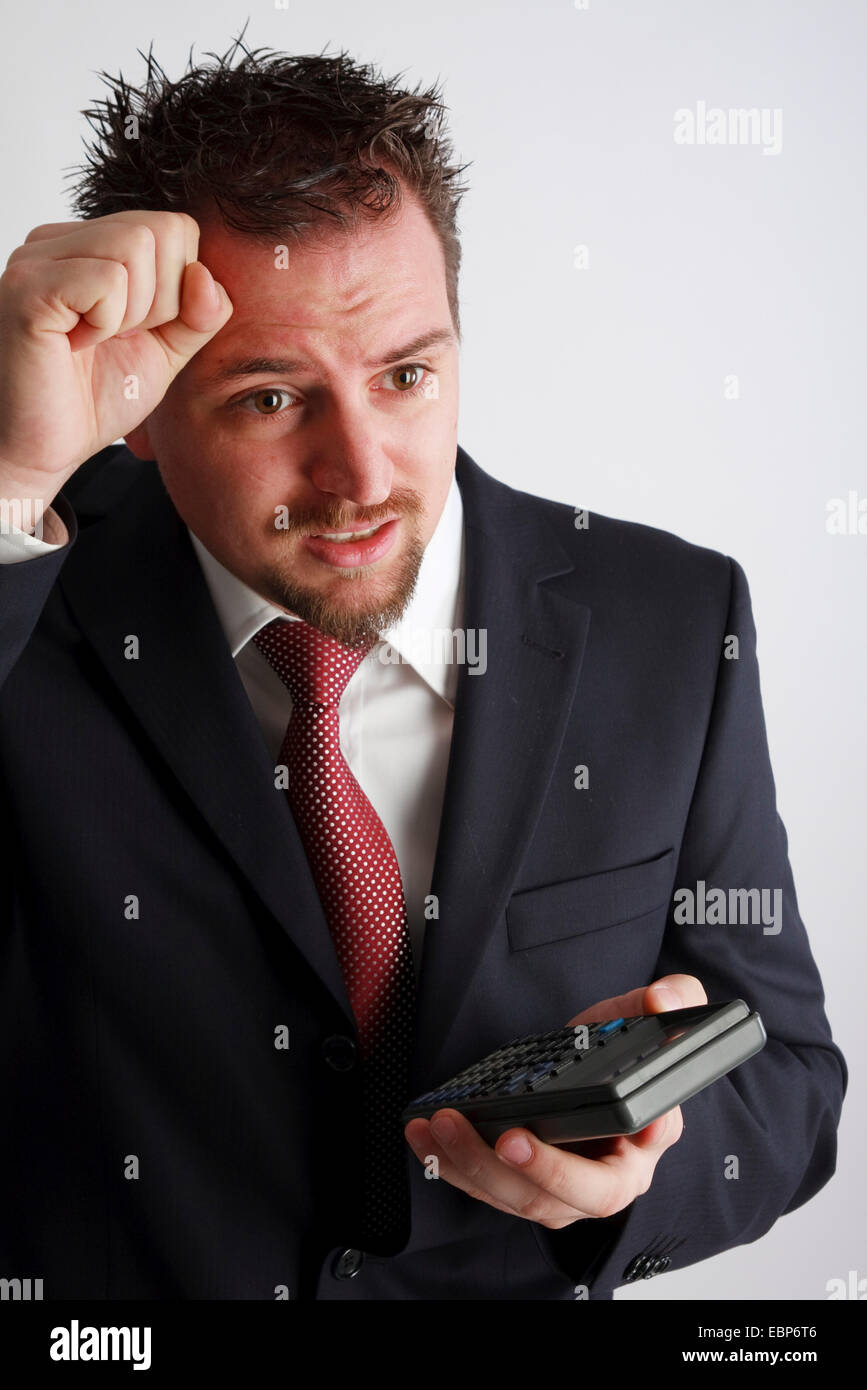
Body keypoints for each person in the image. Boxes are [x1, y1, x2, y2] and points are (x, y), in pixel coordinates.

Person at [0, 34, 846, 1301]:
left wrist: (625, 1185)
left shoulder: (672, 618)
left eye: (407, 373)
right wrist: (12, 477)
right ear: (142, 403)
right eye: (272, 398)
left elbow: (788, 1080)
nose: (363, 476)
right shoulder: (35, 591)